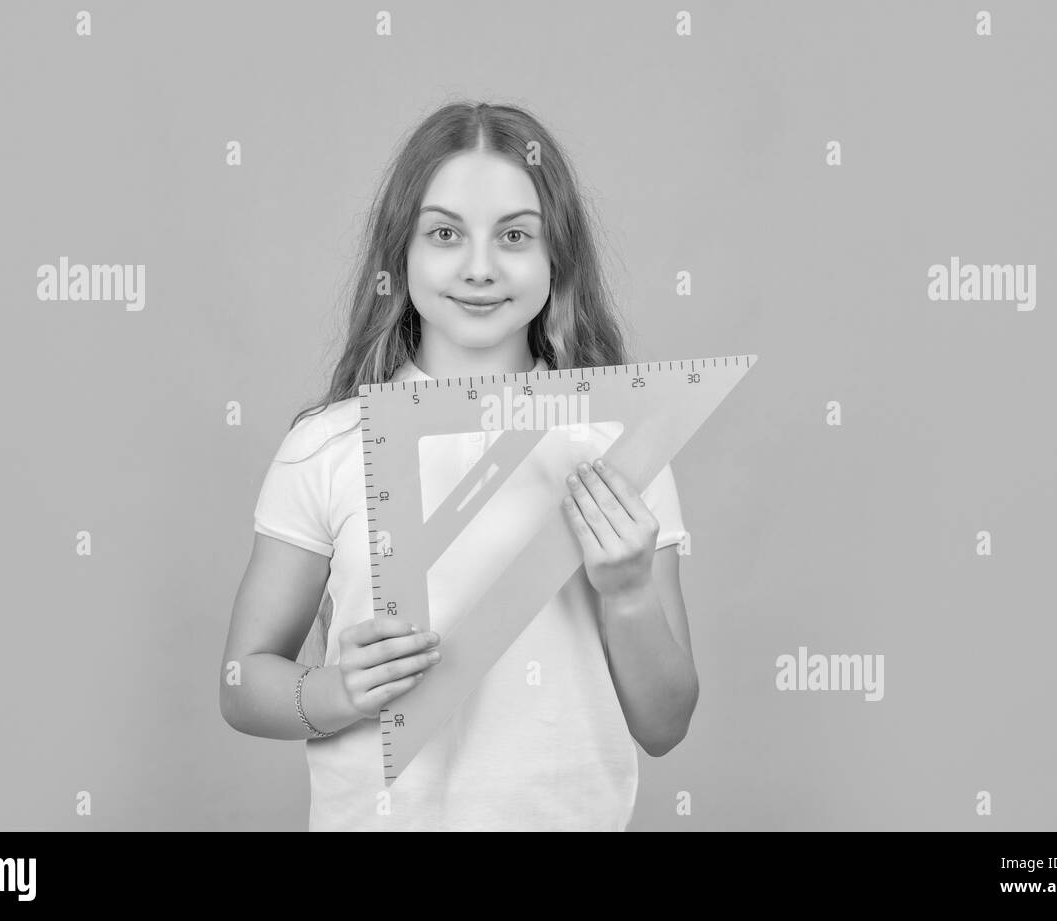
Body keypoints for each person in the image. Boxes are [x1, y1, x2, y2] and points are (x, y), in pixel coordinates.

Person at [220, 101, 699, 831]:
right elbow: (241, 681)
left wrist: (630, 593)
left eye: (514, 235)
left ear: (556, 258)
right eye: (444, 234)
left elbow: (665, 724)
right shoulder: (329, 445)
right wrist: (333, 691)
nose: (479, 267)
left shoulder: (615, 446)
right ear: (400, 254)